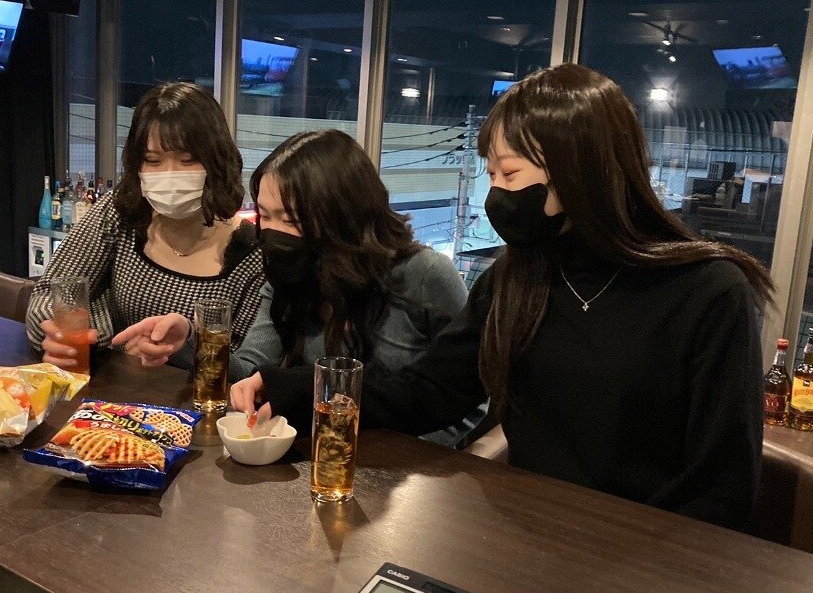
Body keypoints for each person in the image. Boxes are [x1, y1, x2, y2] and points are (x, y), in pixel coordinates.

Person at [233, 64, 773, 530]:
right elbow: (427, 394)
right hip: (527, 534)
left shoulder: (706, 291)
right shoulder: (515, 280)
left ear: (578, 170)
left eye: (509, 173)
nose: (495, 194)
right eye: (490, 174)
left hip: (647, 555)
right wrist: (297, 388)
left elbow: (721, 489)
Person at [114, 129, 478, 446]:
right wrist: (191, 341)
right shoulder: (290, 276)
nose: (274, 233)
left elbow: (470, 403)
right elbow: (251, 372)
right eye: (265, 215)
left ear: (341, 216)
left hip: (404, 479)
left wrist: (401, 456)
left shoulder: (424, 275)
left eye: (291, 219)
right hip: (319, 460)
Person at [26, 82, 264, 367]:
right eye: (153, 160)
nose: (169, 175)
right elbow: (49, 292)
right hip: (111, 388)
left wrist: (181, 349)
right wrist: (68, 337)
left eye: (187, 160)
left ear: (217, 161)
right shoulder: (121, 213)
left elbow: (242, 369)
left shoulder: (251, 255)